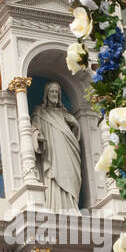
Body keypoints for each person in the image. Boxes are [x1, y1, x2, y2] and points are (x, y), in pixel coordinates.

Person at [30, 82, 83, 212]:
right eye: (51, 91)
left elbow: (75, 136)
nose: (54, 94)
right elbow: (33, 127)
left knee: (69, 174)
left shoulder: (65, 113)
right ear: (46, 94)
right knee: (54, 173)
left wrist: (75, 125)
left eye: (56, 92)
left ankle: (71, 205)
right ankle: (55, 205)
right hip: (52, 150)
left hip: (67, 149)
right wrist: (37, 135)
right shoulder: (40, 111)